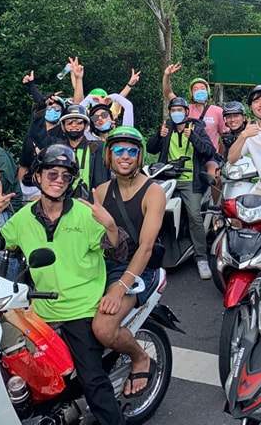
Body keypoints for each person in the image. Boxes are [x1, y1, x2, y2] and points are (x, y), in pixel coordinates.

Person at [0, 145, 125, 425]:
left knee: (94, 382)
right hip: (40, 309)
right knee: (8, 363)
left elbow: (118, 252)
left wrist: (111, 226)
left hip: (81, 308)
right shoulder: (23, 218)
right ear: (38, 176)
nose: (57, 179)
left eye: (65, 176)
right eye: (51, 173)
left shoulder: (85, 214)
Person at [92, 127, 165, 397]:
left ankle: (139, 358)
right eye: (119, 151)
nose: (125, 156)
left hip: (135, 271)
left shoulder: (153, 192)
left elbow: (145, 248)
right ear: (109, 156)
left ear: (139, 155)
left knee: (103, 328)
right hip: (104, 265)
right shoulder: (99, 191)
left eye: (131, 151)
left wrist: (120, 287)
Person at [147, 97, 217, 279]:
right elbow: (151, 149)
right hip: (165, 177)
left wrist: (192, 136)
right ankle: (148, 253)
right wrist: (158, 136)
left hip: (189, 180)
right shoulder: (167, 127)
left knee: (194, 215)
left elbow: (208, 151)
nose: (176, 113)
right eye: (173, 110)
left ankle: (201, 257)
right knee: (152, 212)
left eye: (180, 109)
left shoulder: (197, 127)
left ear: (186, 112)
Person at [162, 64, 226, 178]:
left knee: (213, 173)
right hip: (190, 155)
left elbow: (223, 136)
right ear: (191, 93)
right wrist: (166, 75)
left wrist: (220, 155)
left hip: (208, 154)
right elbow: (168, 93)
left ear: (207, 91)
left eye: (202, 88)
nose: (199, 91)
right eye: (195, 89)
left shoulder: (218, 111)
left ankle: (215, 196)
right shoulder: (185, 110)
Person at [17, 91, 67, 200]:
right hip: (28, 186)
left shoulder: (64, 136)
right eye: (49, 108)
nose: (53, 110)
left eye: (57, 109)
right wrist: (19, 189)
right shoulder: (31, 134)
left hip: (50, 186)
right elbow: (23, 165)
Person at [71, 57, 139, 127]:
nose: (100, 100)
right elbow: (78, 102)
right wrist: (74, 75)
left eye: (103, 97)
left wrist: (129, 84)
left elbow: (121, 98)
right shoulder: (86, 113)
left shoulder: (111, 112)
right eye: (96, 98)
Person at [60, 105, 109, 200]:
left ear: (86, 126)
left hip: (93, 204)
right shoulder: (58, 149)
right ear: (63, 126)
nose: (74, 126)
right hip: (62, 202)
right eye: (69, 123)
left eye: (79, 122)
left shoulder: (98, 147)